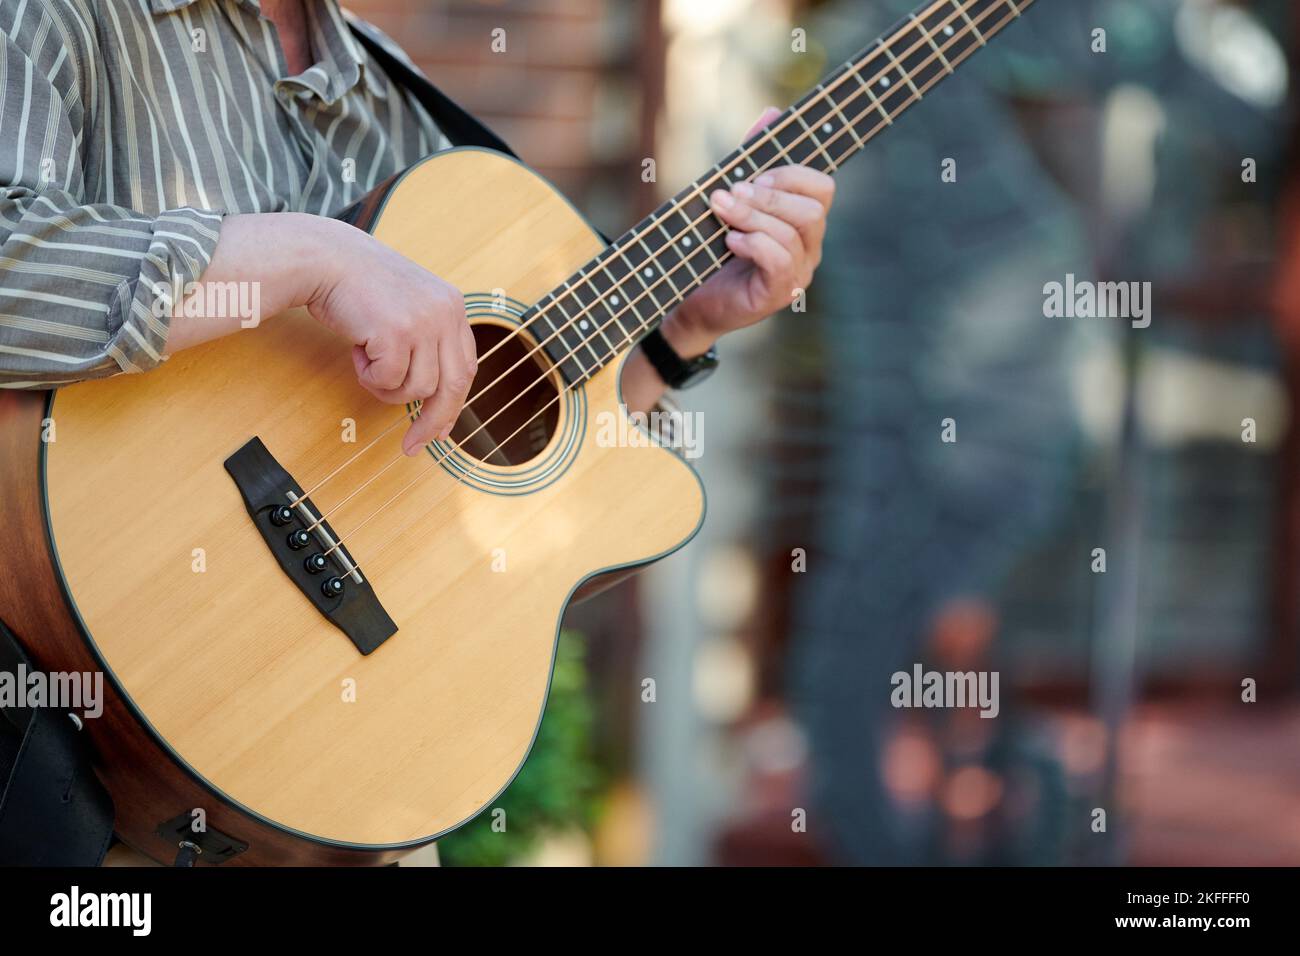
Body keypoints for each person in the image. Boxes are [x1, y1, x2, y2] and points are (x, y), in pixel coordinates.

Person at [0, 0, 834, 454]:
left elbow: (466, 506)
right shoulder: (58, 15)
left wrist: (678, 328)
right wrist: (308, 254)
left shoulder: (396, 108)